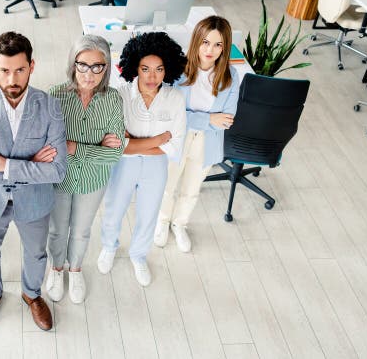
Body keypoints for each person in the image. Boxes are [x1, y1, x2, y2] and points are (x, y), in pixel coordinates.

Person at [0, 31, 67, 332]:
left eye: (20, 69)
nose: (12, 79)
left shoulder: (49, 106)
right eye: (4, 70)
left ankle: (32, 294)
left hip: (34, 202)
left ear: (32, 66)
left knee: (36, 253)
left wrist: (6, 165)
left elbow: (58, 170)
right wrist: (31, 165)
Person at [97, 32, 187, 286]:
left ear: (167, 69)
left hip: (156, 166)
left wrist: (134, 143)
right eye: (145, 68)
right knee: (114, 208)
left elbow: (175, 145)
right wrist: (159, 139)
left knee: (149, 213)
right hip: (123, 165)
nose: (152, 76)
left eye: (159, 69)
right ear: (134, 66)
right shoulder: (120, 96)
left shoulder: (175, 98)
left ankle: (138, 255)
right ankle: (109, 246)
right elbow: (116, 144)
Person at [46, 35, 124, 304]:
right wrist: (96, 147)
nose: (89, 74)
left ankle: (75, 269)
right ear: (73, 64)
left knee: (81, 230)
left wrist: (75, 147)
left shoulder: (113, 100)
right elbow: (50, 148)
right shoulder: (55, 96)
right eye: (82, 65)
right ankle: (56, 268)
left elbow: (115, 153)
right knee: (57, 229)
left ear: (106, 68)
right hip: (59, 178)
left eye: (97, 67)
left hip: (93, 181)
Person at [155, 16, 239, 252]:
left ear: (225, 47)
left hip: (207, 142)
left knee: (191, 189)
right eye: (205, 42)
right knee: (168, 184)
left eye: (218, 44)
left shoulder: (231, 76)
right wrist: (209, 119)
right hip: (178, 138)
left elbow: (227, 119)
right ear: (196, 42)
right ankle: (161, 221)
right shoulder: (178, 71)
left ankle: (179, 224)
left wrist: (192, 117)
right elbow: (169, 113)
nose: (210, 50)